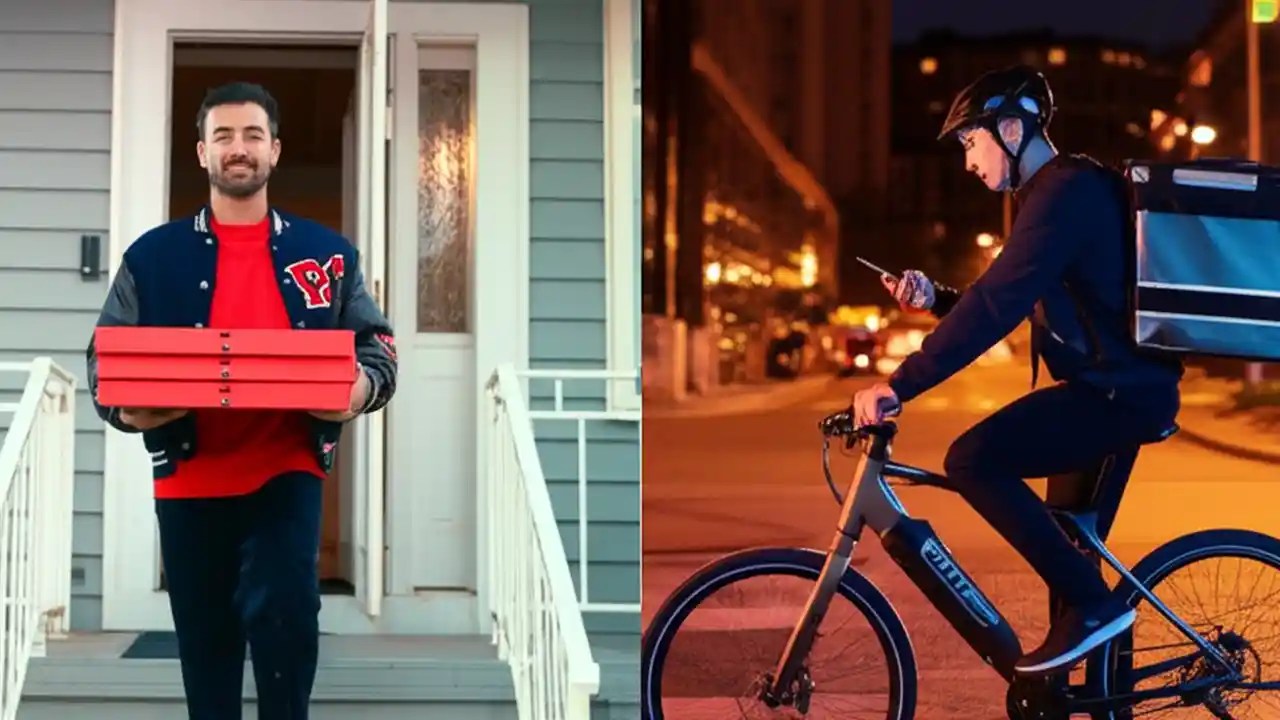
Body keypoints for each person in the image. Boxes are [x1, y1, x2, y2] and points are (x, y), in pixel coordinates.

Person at [851, 65, 1183, 675]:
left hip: (1118, 396)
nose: (969, 163)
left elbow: (998, 304)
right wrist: (938, 299)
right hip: (1112, 390)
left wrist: (899, 385)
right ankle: (1090, 680)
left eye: (971, 143)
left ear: (1010, 128)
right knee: (1069, 555)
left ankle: (1095, 610)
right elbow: (1026, 303)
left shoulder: (1066, 192)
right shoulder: (1051, 196)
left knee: (974, 459)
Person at [86, 82, 398, 719]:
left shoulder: (328, 255)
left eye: (253, 135)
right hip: (187, 482)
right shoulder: (151, 257)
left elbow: (378, 347)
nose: (238, 148)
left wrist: (359, 392)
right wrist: (125, 409)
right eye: (223, 136)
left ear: (275, 151)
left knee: (286, 615)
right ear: (202, 152)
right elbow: (102, 359)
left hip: (287, 472)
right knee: (207, 650)